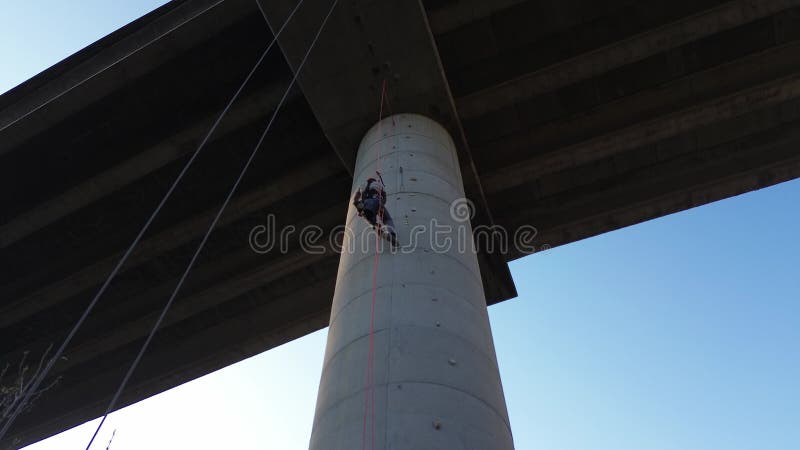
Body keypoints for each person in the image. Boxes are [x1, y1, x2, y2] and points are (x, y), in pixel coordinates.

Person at [353, 175, 397, 246]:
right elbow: (384, 196)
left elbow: (355, 199)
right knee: (387, 219)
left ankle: (381, 232)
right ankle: (392, 234)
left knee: (371, 222)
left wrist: (358, 208)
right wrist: (382, 204)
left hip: (366, 204)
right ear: (374, 181)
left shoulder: (362, 185)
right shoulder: (379, 184)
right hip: (377, 202)